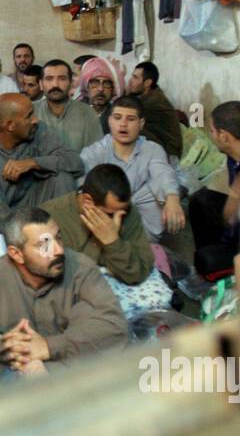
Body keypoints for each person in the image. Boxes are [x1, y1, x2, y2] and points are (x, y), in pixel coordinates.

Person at [0, 208, 129, 374]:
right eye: (44, 245)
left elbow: (114, 328)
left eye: (58, 238)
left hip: (74, 370)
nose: (59, 250)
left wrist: (48, 347)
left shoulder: (81, 270)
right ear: (17, 254)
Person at [80, 95, 192, 263]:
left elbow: (162, 172)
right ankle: (107, 244)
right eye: (117, 118)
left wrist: (172, 198)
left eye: (130, 119)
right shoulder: (95, 152)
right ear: (110, 121)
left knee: (160, 189)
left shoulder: (152, 149)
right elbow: (81, 185)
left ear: (141, 123)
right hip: (105, 215)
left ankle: (143, 244)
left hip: (143, 225)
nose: (123, 124)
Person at [0, 93, 84, 210]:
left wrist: (33, 163)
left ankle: (67, 227)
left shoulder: (37, 129)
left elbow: (76, 163)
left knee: (62, 177)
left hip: (37, 202)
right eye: (29, 116)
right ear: (10, 125)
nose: (35, 120)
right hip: (6, 217)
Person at [41, 164, 154, 285]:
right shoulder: (49, 216)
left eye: (123, 211)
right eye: (110, 213)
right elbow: (44, 272)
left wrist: (113, 242)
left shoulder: (126, 211)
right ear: (87, 200)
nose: (118, 218)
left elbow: (138, 274)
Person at [189, 100, 240, 263]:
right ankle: (215, 251)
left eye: (212, 131)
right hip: (238, 220)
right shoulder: (234, 156)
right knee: (201, 199)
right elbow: (233, 209)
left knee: (205, 261)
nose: (211, 136)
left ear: (224, 136)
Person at [34, 59, 101, 152]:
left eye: (62, 78)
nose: (55, 84)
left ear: (71, 83)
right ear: (41, 84)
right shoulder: (30, 112)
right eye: (49, 79)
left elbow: (96, 153)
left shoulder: (87, 113)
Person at [127, 61, 183, 159]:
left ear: (147, 83)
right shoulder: (146, 96)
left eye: (135, 78)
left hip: (168, 155)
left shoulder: (153, 103)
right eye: (132, 76)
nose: (131, 81)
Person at [78, 55, 120, 135]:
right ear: (86, 86)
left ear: (113, 89)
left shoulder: (118, 115)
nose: (101, 89)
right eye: (95, 83)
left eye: (107, 83)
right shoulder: (74, 111)